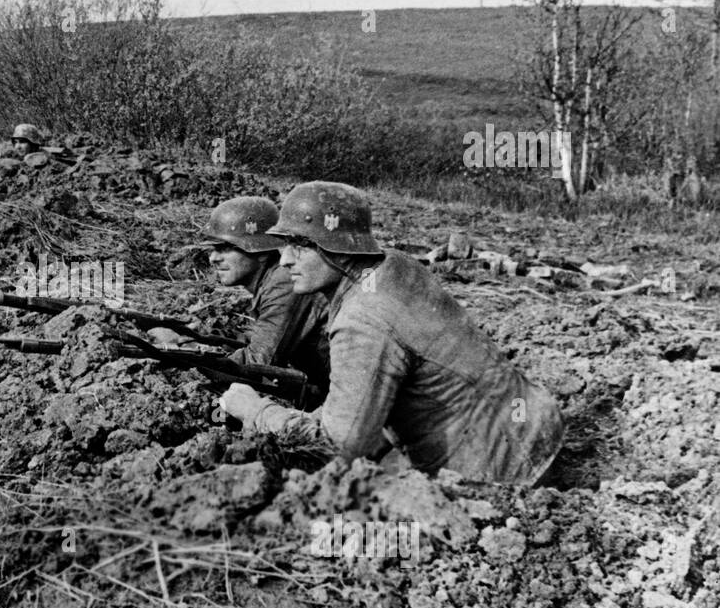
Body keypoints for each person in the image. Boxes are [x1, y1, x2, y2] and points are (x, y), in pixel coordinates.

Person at [218, 181, 564, 486]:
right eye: (284, 245)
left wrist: (256, 410)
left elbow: (337, 447)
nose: (285, 261)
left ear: (336, 246)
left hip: (502, 470)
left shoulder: (362, 320)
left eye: (301, 245)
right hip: (532, 425)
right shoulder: (391, 266)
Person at [180, 195, 330, 393]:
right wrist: (199, 338)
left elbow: (257, 363)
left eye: (225, 248)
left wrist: (186, 363)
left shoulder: (286, 282)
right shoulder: (273, 280)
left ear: (261, 252)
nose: (213, 258)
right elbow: (260, 336)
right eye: (213, 249)